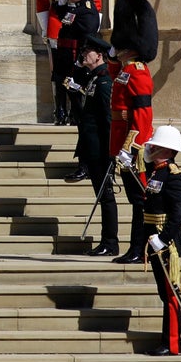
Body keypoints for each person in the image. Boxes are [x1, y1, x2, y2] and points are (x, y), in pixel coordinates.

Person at [108, 0, 158, 265]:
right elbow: (113, 76)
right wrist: (113, 56)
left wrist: (130, 147)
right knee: (134, 200)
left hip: (133, 148)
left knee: (140, 201)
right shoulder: (127, 69)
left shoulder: (138, 72)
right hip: (121, 142)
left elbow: (142, 115)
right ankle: (135, 248)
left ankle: (140, 249)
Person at [65, 34, 117, 256]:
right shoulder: (93, 78)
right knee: (101, 195)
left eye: (88, 52)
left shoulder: (104, 81)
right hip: (91, 148)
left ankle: (110, 241)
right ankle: (108, 240)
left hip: (101, 150)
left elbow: (107, 120)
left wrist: (111, 152)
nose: (84, 54)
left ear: (100, 55)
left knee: (105, 197)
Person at [141, 125, 181, 357]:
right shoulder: (157, 171)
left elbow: (178, 215)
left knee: (170, 295)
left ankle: (172, 343)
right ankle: (167, 339)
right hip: (154, 241)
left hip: (166, 244)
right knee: (164, 293)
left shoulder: (174, 176)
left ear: (168, 151)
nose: (153, 147)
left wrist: (163, 239)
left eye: (158, 145)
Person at [56, 0, 102, 179]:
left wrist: (78, 69)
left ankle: (88, 164)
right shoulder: (74, 9)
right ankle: (86, 163)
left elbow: (85, 44)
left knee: (86, 122)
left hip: (80, 72)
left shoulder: (88, 13)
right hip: (68, 70)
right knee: (80, 119)